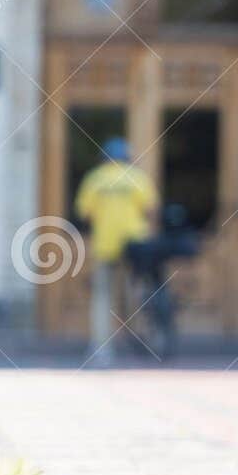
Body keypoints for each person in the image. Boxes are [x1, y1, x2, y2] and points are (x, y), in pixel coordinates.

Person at [74, 137, 158, 367]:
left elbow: (85, 213)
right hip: (135, 245)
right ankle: (145, 339)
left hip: (105, 244)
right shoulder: (138, 178)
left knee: (103, 298)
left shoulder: (95, 179)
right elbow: (150, 210)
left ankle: (102, 349)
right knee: (138, 292)